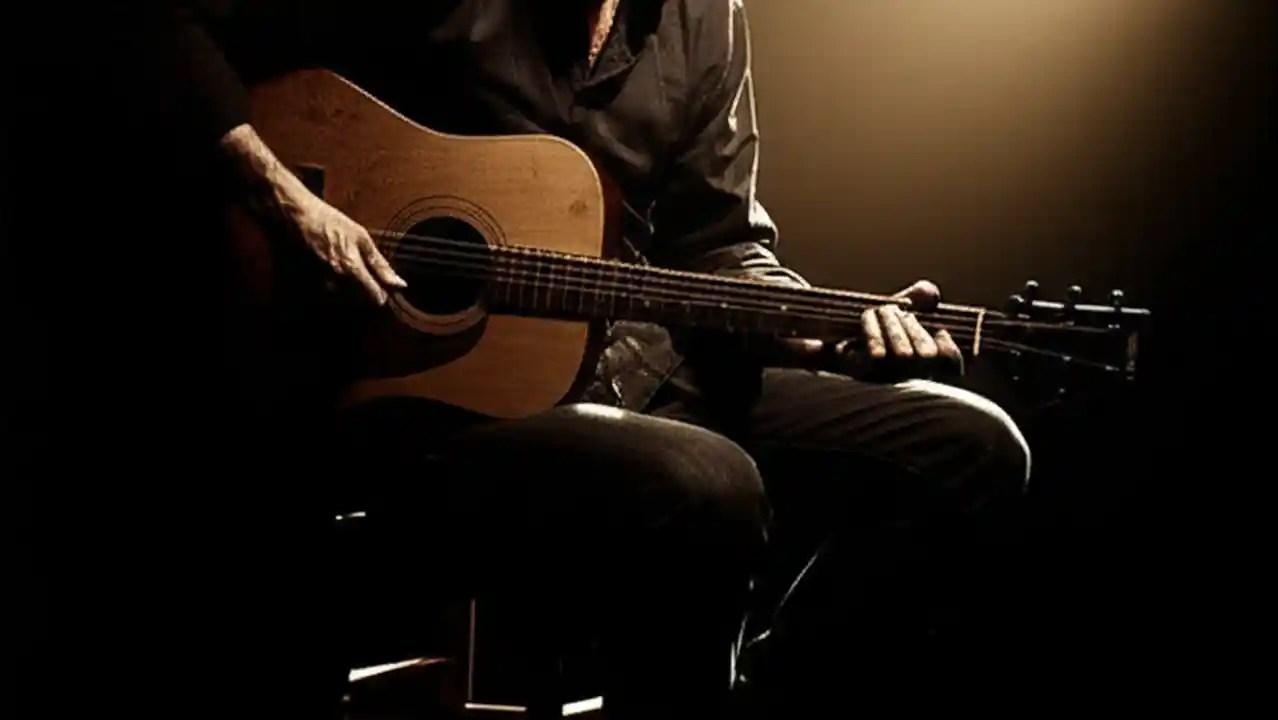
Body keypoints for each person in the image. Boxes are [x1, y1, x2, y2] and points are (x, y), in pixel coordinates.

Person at [11, 1, 1029, 718]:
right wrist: (288, 203)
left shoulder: (700, 12)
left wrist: (819, 331)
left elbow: (719, 245)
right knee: (705, 481)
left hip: (646, 372)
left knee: (969, 446)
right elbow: (155, 26)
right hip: (431, 403)